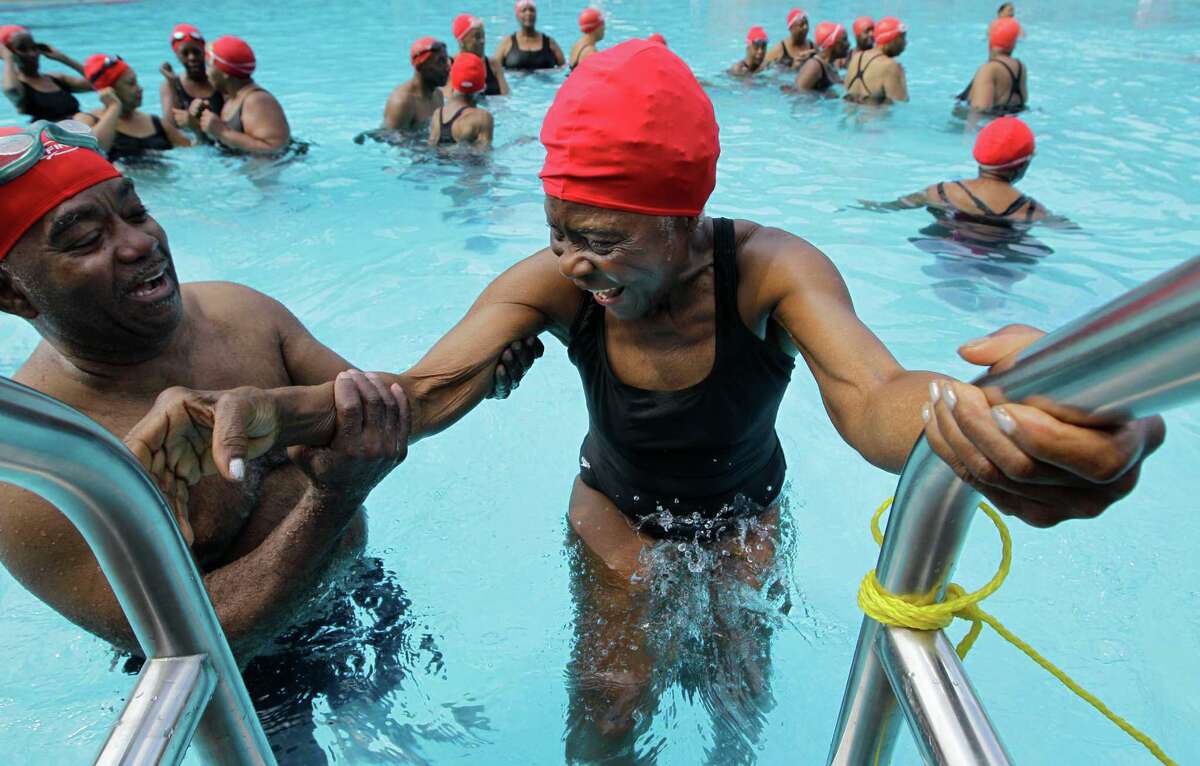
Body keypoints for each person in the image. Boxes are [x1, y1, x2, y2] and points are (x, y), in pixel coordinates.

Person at [127, 41, 1163, 758]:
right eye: (558, 229)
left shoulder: (767, 270)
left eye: (605, 237)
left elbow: (874, 391)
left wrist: (986, 416)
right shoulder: (557, 279)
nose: (576, 263)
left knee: (737, 692)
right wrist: (277, 411)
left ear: (688, 214)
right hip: (616, 508)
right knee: (609, 696)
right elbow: (430, 386)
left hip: (743, 514)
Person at [0, 124, 539, 669]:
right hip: (253, 684)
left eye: (135, 212)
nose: (139, 243)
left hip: (362, 591)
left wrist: (482, 373)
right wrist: (333, 500)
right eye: (86, 240)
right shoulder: (38, 464)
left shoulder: (241, 315)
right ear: (11, 291)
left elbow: (390, 410)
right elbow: (181, 645)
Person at [862, 116, 1055, 225]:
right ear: (1023, 165)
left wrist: (866, 205)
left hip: (945, 248)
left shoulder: (940, 192)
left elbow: (893, 206)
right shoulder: (1030, 211)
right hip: (998, 259)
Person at [180, 35, 290, 155]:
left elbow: (276, 149)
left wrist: (222, 132)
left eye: (209, 66)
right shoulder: (232, 99)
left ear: (225, 72)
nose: (206, 73)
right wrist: (199, 127)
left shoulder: (257, 100)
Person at [75, 54, 190, 161]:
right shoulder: (86, 120)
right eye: (131, 83)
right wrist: (114, 106)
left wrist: (195, 127)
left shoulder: (157, 123)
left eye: (136, 82)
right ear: (110, 90)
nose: (140, 88)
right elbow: (93, 153)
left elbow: (193, 150)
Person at [1, 26, 90, 123]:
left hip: (81, 128)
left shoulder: (57, 79)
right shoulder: (19, 86)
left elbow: (98, 84)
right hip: (51, 135)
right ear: (10, 53)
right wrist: (8, 59)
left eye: (34, 47)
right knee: (83, 117)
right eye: (22, 49)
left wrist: (64, 58)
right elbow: (11, 90)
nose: (32, 54)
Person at [159, 23, 222, 133]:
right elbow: (170, 131)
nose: (192, 57)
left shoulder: (219, 80)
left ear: (204, 51)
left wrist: (195, 124)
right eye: (185, 53)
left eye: (196, 52)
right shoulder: (170, 85)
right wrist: (172, 84)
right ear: (177, 56)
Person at [957, 17, 1026, 115]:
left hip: (985, 126)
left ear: (990, 39)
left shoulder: (989, 70)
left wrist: (970, 129)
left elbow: (978, 111)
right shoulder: (1021, 68)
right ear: (1013, 44)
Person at [382, 36, 450, 131]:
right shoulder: (402, 102)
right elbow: (391, 140)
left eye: (446, 60)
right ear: (420, 67)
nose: (447, 67)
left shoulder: (438, 95)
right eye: (440, 62)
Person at [429, 52, 493, 149]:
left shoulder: (437, 114)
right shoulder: (482, 118)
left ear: (453, 80)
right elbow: (484, 155)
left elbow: (431, 148)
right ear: (483, 85)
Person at [843, 16, 908, 103]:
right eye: (902, 38)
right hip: (874, 115)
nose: (905, 43)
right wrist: (902, 76)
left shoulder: (856, 57)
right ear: (892, 39)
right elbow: (902, 102)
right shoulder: (890, 65)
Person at [451, 13, 509, 96]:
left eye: (483, 36)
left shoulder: (493, 65)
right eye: (477, 37)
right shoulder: (451, 66)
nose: (482, 41)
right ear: (461, 41)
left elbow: (507, 99)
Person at [498, 0, 564, 71]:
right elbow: (494, 71)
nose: (528, 13)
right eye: (523, 11)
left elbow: (564, 68)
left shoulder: (550, 43)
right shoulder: (507, 43)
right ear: (517, 16)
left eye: (532, 10)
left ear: (536, 14)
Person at [794, 22, 847, 92]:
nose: (848, 44)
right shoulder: (814, 65)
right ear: (831, 44)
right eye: (844, 40)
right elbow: (797, 94)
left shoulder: (831, 64)